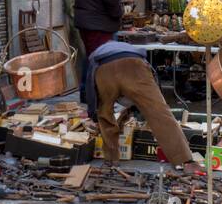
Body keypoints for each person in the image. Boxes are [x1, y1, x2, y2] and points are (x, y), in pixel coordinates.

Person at [83, 40, 195, 169]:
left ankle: (111, 160)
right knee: (160, 114)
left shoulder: (95, 57)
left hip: (104, 69)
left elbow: (90, 89)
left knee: (105, 113)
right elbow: (155, 84)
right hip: (134, 65)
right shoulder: (135, 54)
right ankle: (184, 160)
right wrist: (157, 101)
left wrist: (93, 112)